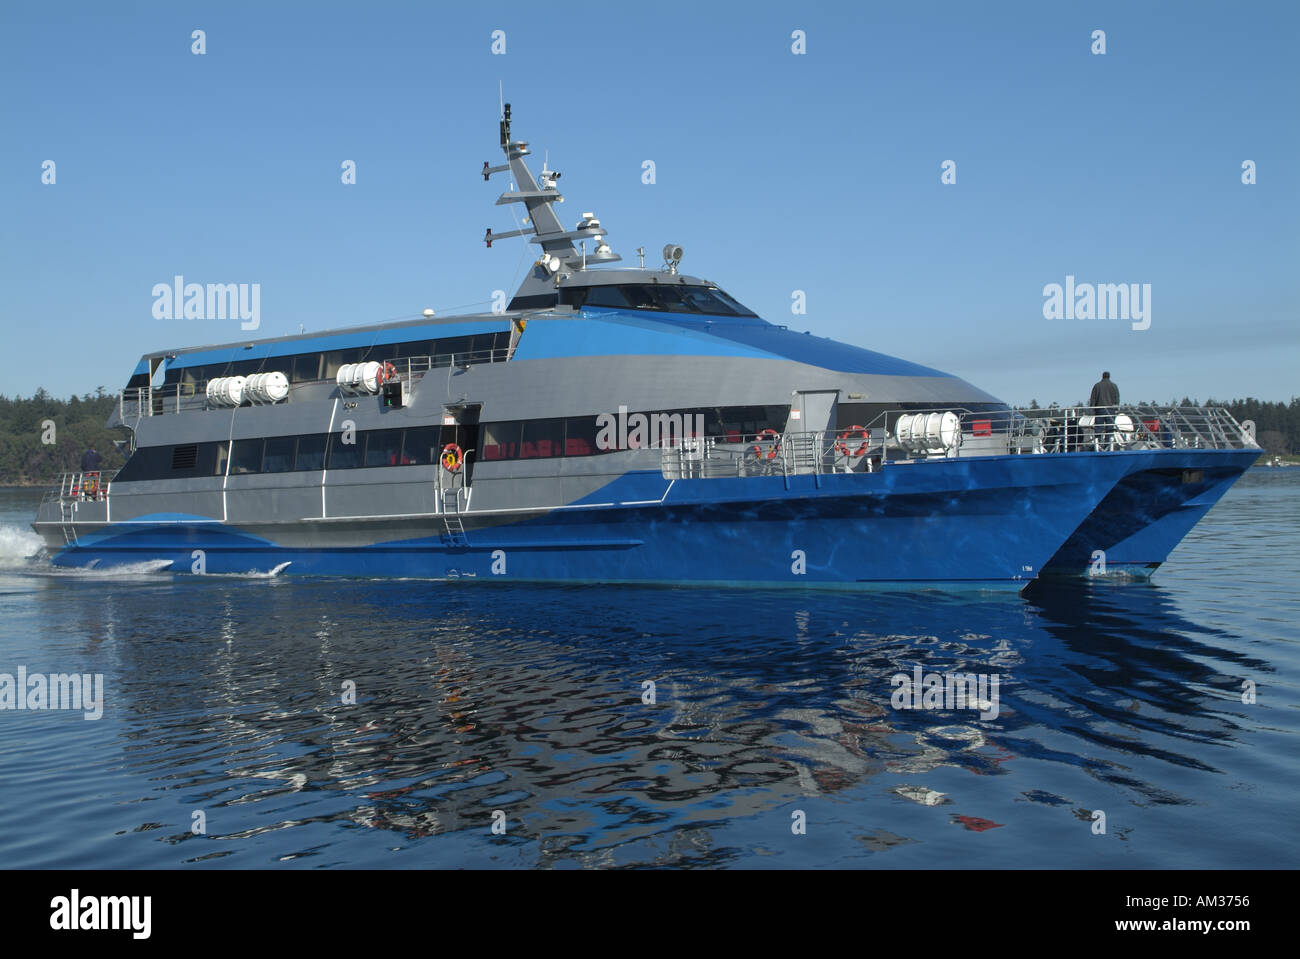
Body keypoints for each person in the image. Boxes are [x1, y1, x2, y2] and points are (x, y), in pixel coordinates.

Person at [1088, 372, 1120, 449]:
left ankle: (1098, 445)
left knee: (1098, 428)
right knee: (1110, 428)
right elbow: (1117, 398)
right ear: (1109, 377)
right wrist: (1116, 408)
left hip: (1099, 409)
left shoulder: (1097, 386)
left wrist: (1093, 408)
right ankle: (1108, 445)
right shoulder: (1114, 386)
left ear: (1102, 376)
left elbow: (1093, 398)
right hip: (1110, 409)